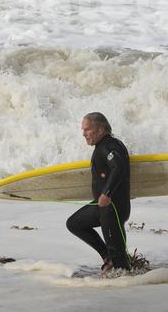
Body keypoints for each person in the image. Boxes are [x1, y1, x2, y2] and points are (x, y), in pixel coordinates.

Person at [65, 112, 131, 274]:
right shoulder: (103, 147)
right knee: (74, 223)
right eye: (83, 130)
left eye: (87, 129)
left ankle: (127, 284)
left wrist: (106, 193)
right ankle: (107, 256)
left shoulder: (109, 146)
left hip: (113, 209)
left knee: (121, 267)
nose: (84, 134)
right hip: (102, 208)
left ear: (101, 129)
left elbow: (119, 167)